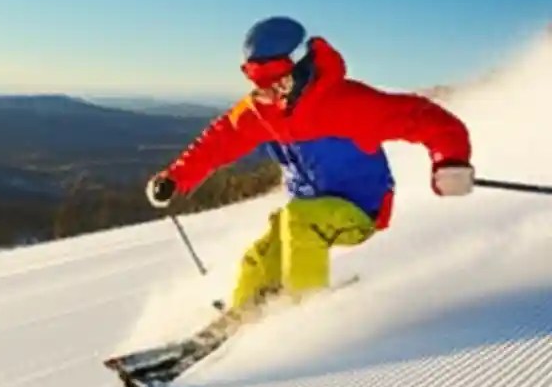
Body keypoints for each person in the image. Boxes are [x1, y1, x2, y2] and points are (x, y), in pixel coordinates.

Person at [147, 16, 475, 317]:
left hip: (360, 210)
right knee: (260, 254)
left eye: (281, 84)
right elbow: (218, 141)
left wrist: (450, 161)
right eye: (263, 87)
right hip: (307, 210)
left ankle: (305, 312)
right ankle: (243, 312)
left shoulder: (348, 104)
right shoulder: (262, 111)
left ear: (304, 69)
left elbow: (425, 118)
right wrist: (175, 177)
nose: (273, 95)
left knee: (299, 222)